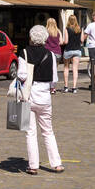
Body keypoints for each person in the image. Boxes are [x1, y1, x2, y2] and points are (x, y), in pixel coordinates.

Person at [19, 25, 63, 175]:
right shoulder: (50, 55)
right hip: (45, 96)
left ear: (31, 37)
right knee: (48, 131)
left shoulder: (24, 53)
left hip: (28, 96)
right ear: (45, 38)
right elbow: (54, 79)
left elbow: (22, 75)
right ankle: (56, 163)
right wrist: (50, 87)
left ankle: (33, 165)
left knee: (30, 132)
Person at [60, 14, 82, 94]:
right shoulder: (79, 29)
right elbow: (82, 40)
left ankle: (66, 87)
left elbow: (66, 41)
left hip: (68, 50)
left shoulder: (67, 29)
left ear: (69, 20)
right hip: (77, 50)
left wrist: (61, 43)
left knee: (66, 68)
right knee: (75, 69)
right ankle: (74, 88)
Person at [44, 18, 63, 92]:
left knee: (48, 70)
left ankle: (48, 86)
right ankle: (53, 88)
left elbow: (43, 41)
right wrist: (55, 44)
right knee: (54, 71)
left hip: (48, 53)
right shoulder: (58, 31)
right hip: (57, 52)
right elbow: (61, 42)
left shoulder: (45, 31)